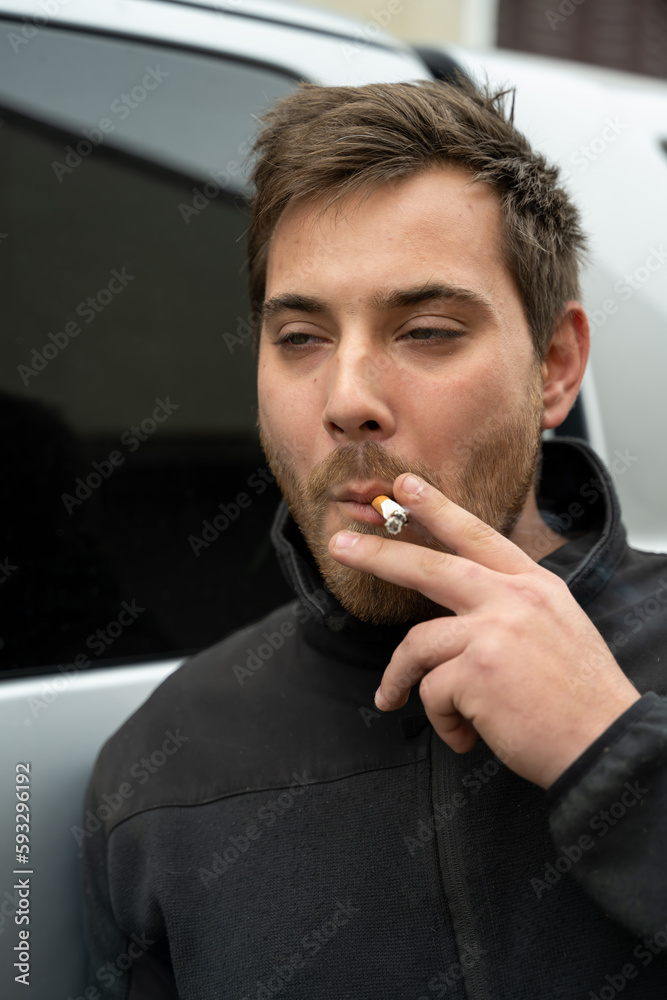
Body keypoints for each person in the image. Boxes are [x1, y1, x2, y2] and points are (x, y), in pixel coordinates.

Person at [81, 79, 667, 998]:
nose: (348, 398)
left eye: (426, 331)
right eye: (302, 337)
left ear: (553, 367)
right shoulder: (161, 765)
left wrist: (613, 750)